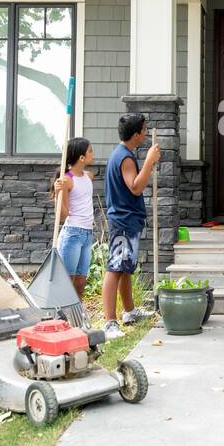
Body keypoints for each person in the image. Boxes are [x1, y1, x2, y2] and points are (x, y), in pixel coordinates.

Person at [102, 113, 161, 338]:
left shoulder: (121, 154)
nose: (146, 134)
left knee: (125, 268)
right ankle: (109, 322)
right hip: (124, 221)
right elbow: (135, 187)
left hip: (127, 219)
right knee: (115, 268)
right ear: (136, 134)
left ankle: (129, 312)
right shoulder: (125, 158)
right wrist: (148, 162)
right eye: (144, 130)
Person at [52, 137, 94, 299]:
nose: (93, 153)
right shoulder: (67, 180)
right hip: (72, 234)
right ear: (81, 157)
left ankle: (77, 317)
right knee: (67, 282)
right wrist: (57, 193)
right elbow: (62, 216)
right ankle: (61, 318)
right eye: (90, 151)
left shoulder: (88, 176)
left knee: (81, 282)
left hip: (88, 234)